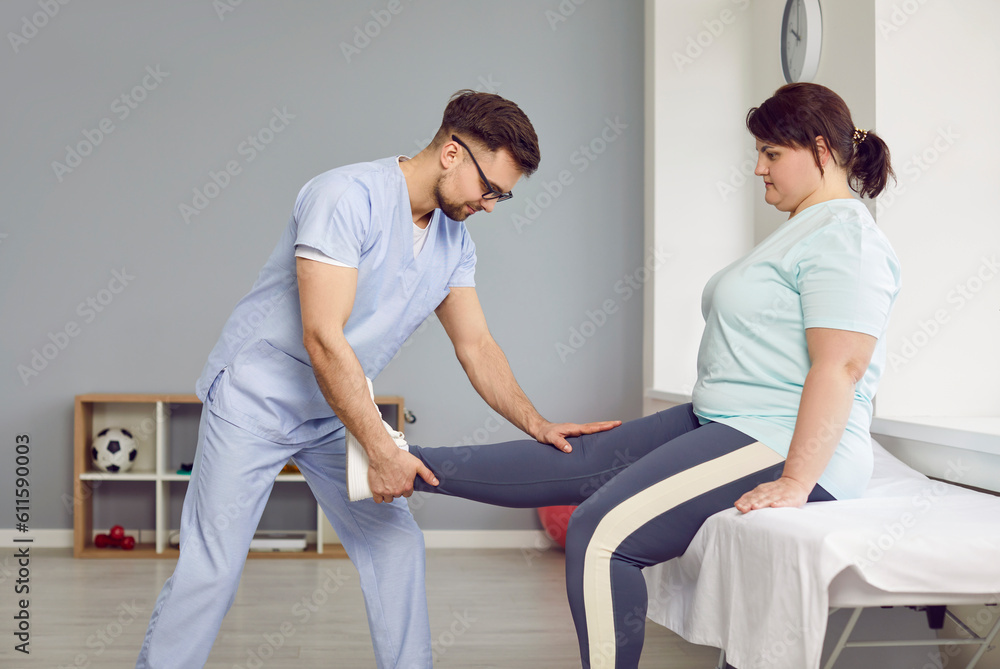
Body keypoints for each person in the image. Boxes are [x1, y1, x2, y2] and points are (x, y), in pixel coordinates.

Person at [348, 83, 902, 669]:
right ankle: (380, 456)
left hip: (778, 439)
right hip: (725, 420)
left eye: (771, 154)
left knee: (599, 536)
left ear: (819, 150)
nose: (757, 168)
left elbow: (841, 365)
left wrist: (795, 481)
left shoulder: (846, 236)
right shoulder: (802, 229)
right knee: (577, 457)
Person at [134, 89, 620, 669]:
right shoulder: (344, 196)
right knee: (211, 570)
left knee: (395, 544)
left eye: (503, 197)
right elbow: (322, 336)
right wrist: (378, 444)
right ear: (451, 155)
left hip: (332, 408)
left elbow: (476, 346)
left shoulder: (453, 241)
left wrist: (535, 422)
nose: (491, 206)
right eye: (489, 189)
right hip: (255, 399)